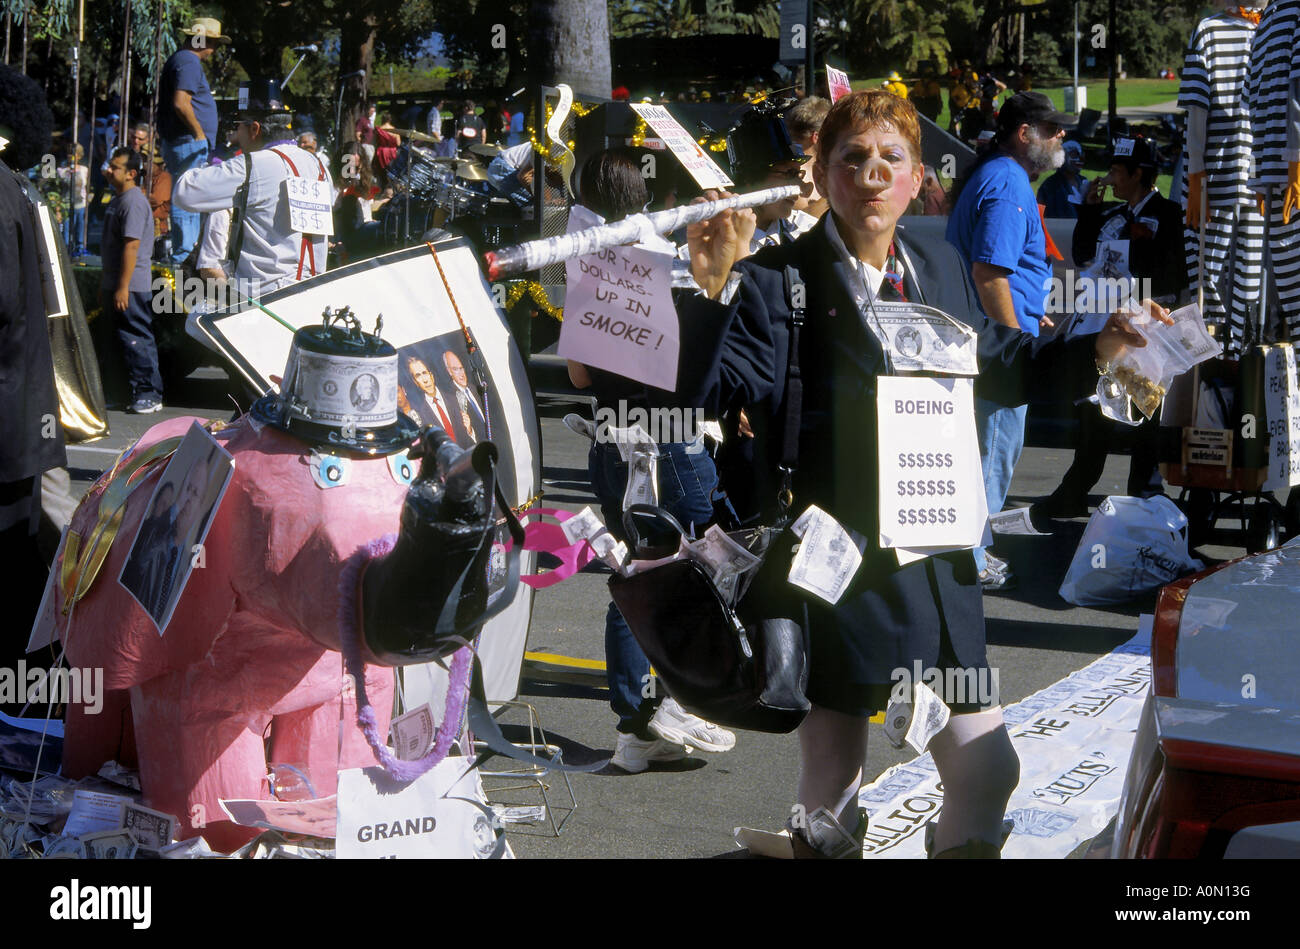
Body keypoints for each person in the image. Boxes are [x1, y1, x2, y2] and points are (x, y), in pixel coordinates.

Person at [680, 89, 1168, 857]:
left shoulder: (934, 261)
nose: (871, 174)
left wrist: (1100, 346)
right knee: (834, 784)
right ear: (823, 172)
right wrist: (708, 291)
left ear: (916, 179)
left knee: (985, 768)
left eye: (891, 158)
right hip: (835, 568)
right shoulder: (778, 279)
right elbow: (707, 393)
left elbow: (996, 360)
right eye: (852, 158)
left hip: (939, 561)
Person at [564, 148, 742, 773]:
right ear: (643, 195)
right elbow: (703, 364)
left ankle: (636, 728)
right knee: (694, 571)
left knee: (634, 575)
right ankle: (674, 705)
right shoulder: (670, 264)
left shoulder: (588, 266)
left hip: (611, 438)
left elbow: (578, 375)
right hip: (670, 438)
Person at [946, 90, 1070, 591]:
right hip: (995, 349)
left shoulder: (998, 174)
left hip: (985, 336)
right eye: (1052, 129)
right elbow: (990, 273)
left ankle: (965, 554)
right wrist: (1013, 339)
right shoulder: (1008, 182)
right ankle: (969, 561)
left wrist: (1028, 312)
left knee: (984, 452)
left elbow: (1002, 271)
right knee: (991, 455)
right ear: (1024, 135)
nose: (1061, 136)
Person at [1038, 136, 1187, 517]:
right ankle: (1076, 487)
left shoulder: (1170, 214)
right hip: (1107, 322)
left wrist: (1137, 263)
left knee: (1148, 404)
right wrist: (1090, 210)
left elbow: (1173, 269)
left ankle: (1145, 492)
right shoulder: (1111, 214)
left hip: (1151, 322)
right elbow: (1083, 255)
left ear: (1138, 174)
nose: (1110, 177)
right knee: (1098, 402)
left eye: (1118, 171)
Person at [0, 65, 66, 682]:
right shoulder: (14, 188)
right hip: (19, 413)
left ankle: (25, 694)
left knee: (13, 566)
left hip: (9, 417)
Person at [173, 82, 335, 296]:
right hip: (312, 293)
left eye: (238, 126)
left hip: (262, 300)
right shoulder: (319, 166)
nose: (236, 134)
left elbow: (184, 192)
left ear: (254, 129)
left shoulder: (252, 165)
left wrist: (204, 150)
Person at [158, 17, 229, 264]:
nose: (214, 49)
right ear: (201, 40)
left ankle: (186, 252)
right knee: (187, 195)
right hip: (188, 141)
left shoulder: (183, 60)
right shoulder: (188, 61)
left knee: (188, 195)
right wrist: (199, 133)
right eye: (214, 43)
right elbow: (181, 102)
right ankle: (184, 255)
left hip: (184, 141)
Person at [102, 147, 163, 414]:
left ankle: (149, 393)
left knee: (135, 338)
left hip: (132, 286)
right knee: (116, 341)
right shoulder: (117, 200)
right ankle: (122, 392)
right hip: (115, 284)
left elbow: (132, 246)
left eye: (115, 167)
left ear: (131, 174)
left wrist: (123, 287)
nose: (108, 170)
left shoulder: (133, 202)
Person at [786, 96, 830, 225]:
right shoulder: (791, 173)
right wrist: (837, 193)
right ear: (816, 137)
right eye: (832, 134)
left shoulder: (825, 165)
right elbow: (802, 223)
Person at [1037, 140, 1089, 219]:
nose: (1080, 159)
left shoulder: (1084, 182)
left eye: (1081, 154)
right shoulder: (1050, 186)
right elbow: (1041, 214)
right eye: (1074, 155)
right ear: (1062, 158)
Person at [58, 143, 89, 256]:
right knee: (66, 231)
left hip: (81, 204)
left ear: (79, 156)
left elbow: (87, 187)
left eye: (73, 154)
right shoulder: (61, 171)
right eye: (69, 153)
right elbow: (59, 189)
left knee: (80, 229)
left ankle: (80, 250)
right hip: (66, 205)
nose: (70, 156)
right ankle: (66, 251)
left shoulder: (85, 170)